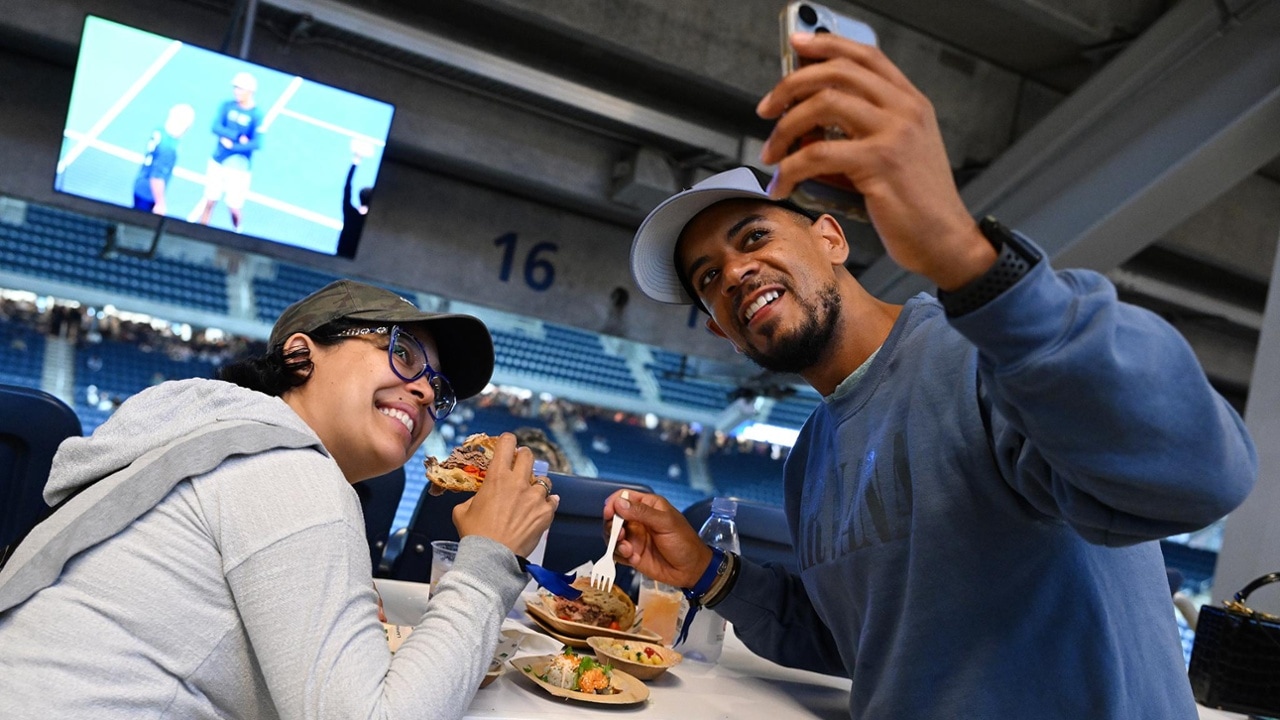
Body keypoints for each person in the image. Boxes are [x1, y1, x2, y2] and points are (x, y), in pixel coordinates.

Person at [610, 32, 1257, 719]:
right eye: (708, 278)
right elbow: (866, 641)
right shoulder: (810, 462)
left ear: (831, 237)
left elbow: (1201, 477)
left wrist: (971, 260)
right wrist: (711, 575)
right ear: (722, 331)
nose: (735, 272)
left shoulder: (983, 358)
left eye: (753, 237)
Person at [0, 280, 558, 718]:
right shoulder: (286, 468)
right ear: (300, 354)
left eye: (439, 390)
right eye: (404, 354)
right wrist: (487, 558)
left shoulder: (228, 439)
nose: (423, 391)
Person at [195, 71, 263, 232]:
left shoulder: (256, 115)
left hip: (239, 169)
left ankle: (238, 231)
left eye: (240, 89)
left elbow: (256, 143)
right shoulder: (227, 106)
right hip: (218, 161)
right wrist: (237, 136)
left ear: (250, 91)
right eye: (235, 88)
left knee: (234, 207)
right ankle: (200, 231)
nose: (236, 92)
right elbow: (215, 127)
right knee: (210, 200)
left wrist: (233, 146)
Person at [132, 103, 196, 215]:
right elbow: (156, 178)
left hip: (140, 183)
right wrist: (160, 203)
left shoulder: (159, 131)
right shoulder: (169, 149)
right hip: (148, 194)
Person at [337, 152, 373, 257]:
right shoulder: (371, 219)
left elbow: (347, 186)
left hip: (341, 251)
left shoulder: (349, 211)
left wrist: (355, 163)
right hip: (356, 255)